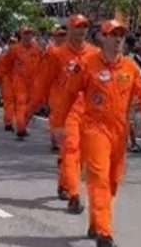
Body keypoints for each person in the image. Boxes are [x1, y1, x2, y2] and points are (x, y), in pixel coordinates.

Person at [51, 20, 141, 247]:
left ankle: (95, 223)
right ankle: (104, 233)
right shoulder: (87, 65)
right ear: (102, 38)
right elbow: (68, 94)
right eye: (113, 35)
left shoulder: (130, 67)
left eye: (121, 35)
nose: (118, 39)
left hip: (120, 131)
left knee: (113, 182)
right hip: (94, 128)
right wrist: (58, 123)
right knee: (98, 178)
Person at [34, 15, 96, 213]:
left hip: (88, 112)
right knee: (70, 149)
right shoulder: (56, 54)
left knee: (82, 157)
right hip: (65, 110)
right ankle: (74, 195)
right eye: (77, 27)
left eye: (84, 27)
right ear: (70, 29)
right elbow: (43, 82)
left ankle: (64, 183)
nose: (81, 31)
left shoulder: (95, 54)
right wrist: (32, 106)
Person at [0, 26, 43, 140]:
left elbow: (43, 65)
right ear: (21, 35)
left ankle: (22, 125)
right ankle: (20, 128)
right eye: (26, 33)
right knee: (19, 103)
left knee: (33, 104)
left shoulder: (37, 50)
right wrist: (0, 79)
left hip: (34, 82)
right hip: (19, 81)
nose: (28, 36)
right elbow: (5, 66)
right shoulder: (15, 50)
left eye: (30, 33)